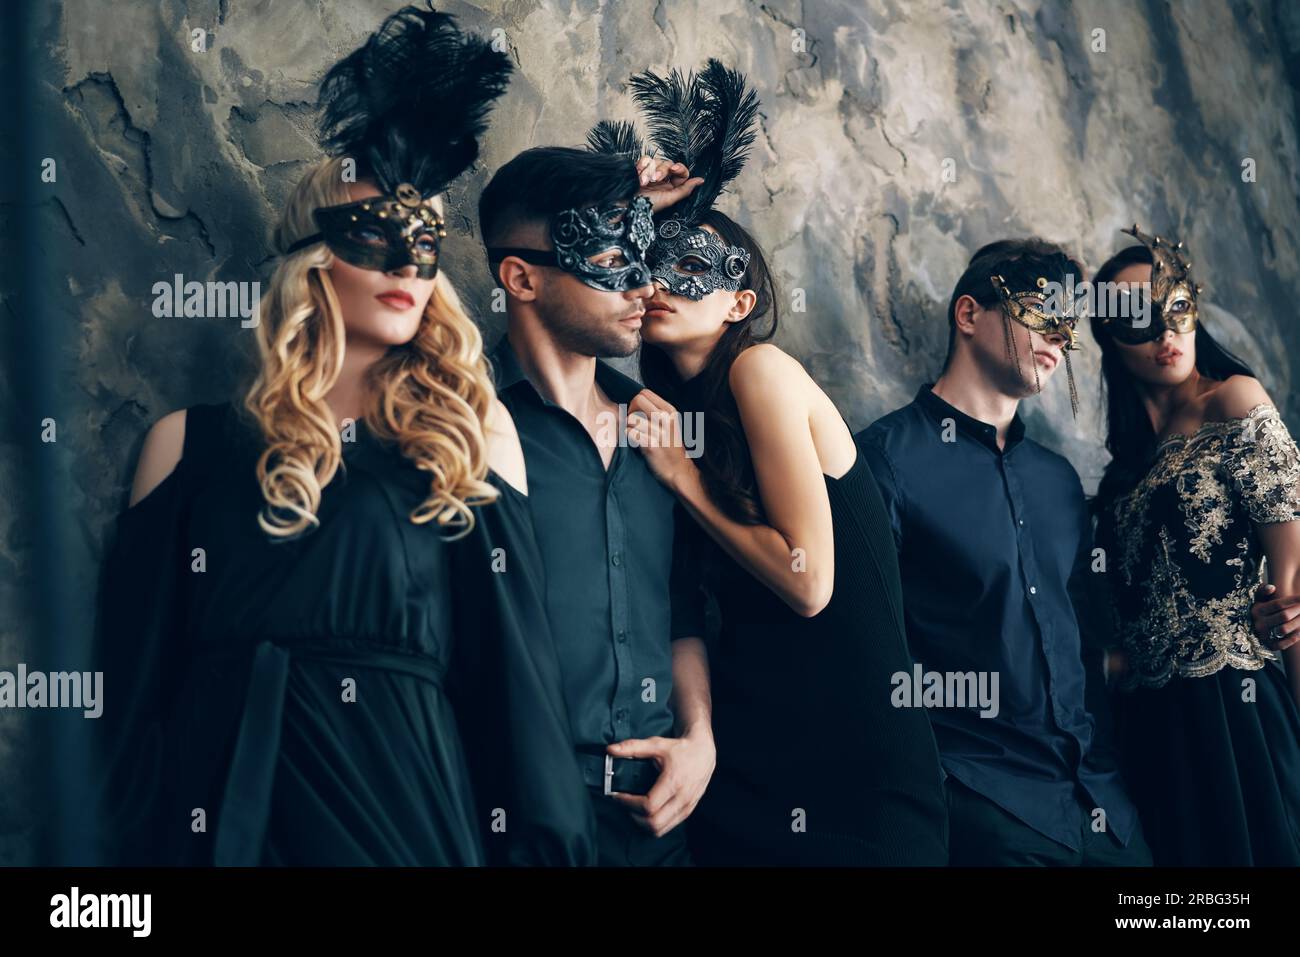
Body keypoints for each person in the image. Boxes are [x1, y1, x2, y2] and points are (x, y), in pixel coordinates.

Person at [92, 4, 592, 866]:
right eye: (374, 237)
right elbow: (127, 706)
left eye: (425, 243)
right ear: (311, 258)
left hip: (402, 816)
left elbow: (517, 699)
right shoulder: (188, 447)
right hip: (221, 822)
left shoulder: (466, 443)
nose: (405, 265)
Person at [604, 60, 948, 865]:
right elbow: (682, 603)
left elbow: (808, 580)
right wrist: (697, 734)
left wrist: (681, 477)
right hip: (754, 765)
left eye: (695, 266)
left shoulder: (761, 372)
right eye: (654, 259)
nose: (662, 280)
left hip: (857, 772)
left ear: (740, 302)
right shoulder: (670, 420)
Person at [856, 238, 1152, 866]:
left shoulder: (1060, 481)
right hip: (984, 807)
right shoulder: (881, 462)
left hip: (1104, 812)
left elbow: (1083, 643)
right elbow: (862, 648)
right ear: (969, 315)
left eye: (1068, 326)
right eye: (1042, 315)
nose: (1060, 339)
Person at [477, 141, 714, 866]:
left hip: (661, 826)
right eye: (614, 262)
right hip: (516, 822)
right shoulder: (470, 428)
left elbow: (680, 607)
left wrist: (700, 739)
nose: (644, 286)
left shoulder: (660, 433)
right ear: (519, 276)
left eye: (643, 255)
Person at [1090, 226, 1300, 865]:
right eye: (1137, 320)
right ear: (1106, 337)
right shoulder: (1120, 473)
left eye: (1175, 306)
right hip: (1151, 732)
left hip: (1237, 710)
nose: (1164, 332)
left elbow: (1294, 598)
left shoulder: (1233, 403)